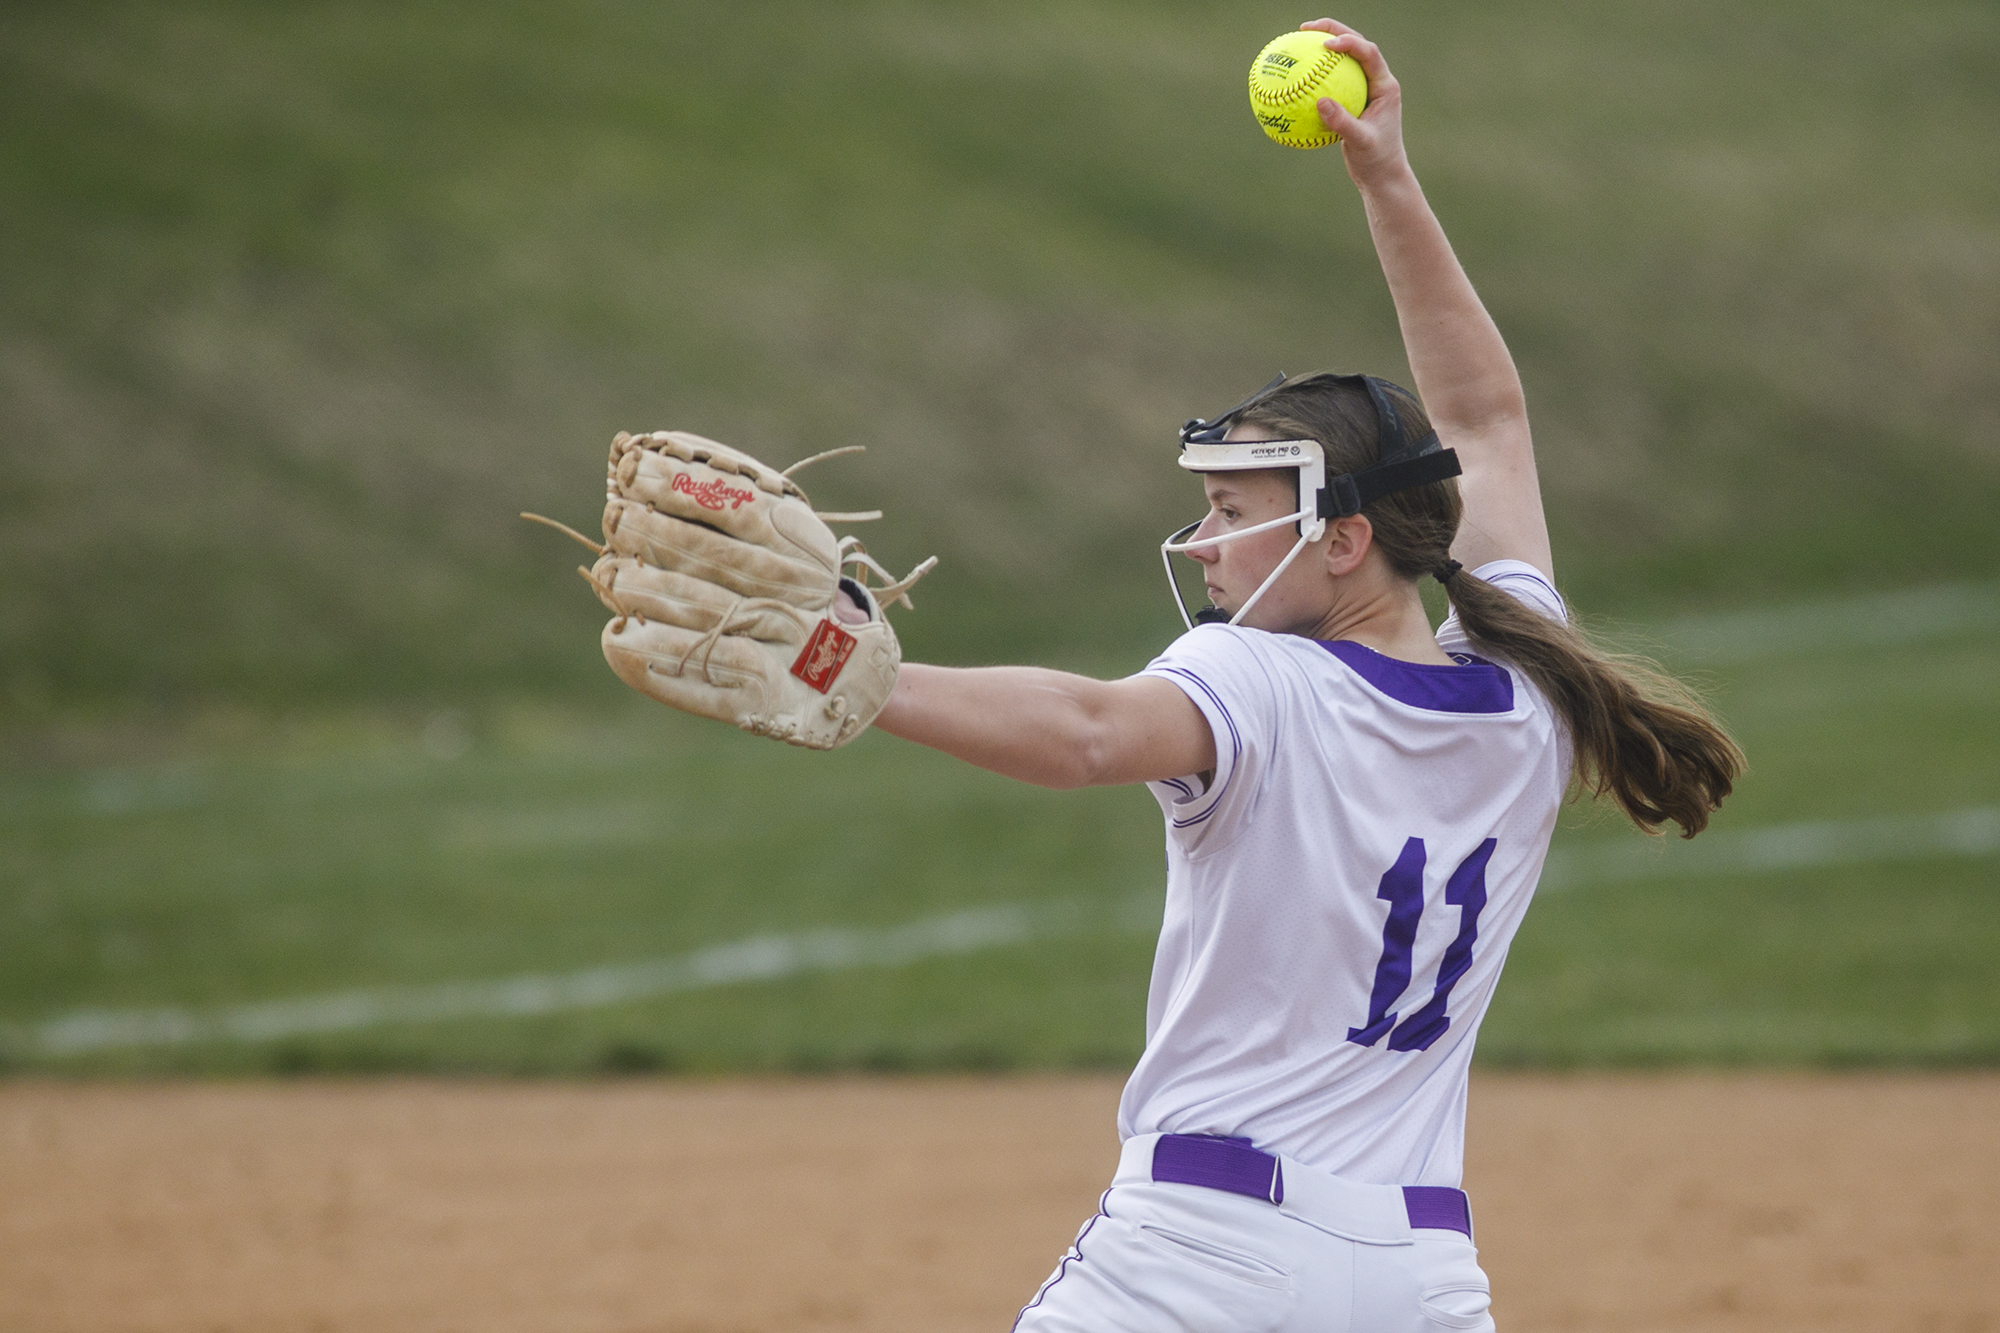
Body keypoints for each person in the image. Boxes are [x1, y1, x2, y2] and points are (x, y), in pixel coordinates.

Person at [871, 19, 1744, 1332]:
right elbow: (1488, 424)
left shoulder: (1261, 683)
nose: (1205, 540)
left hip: (1196, 1258)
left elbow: (1092, 732)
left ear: (1344, 541)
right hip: (1422, 1280)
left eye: (1233, 510)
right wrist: (1386, 177)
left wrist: (865, 675)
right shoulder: (1530, 708)